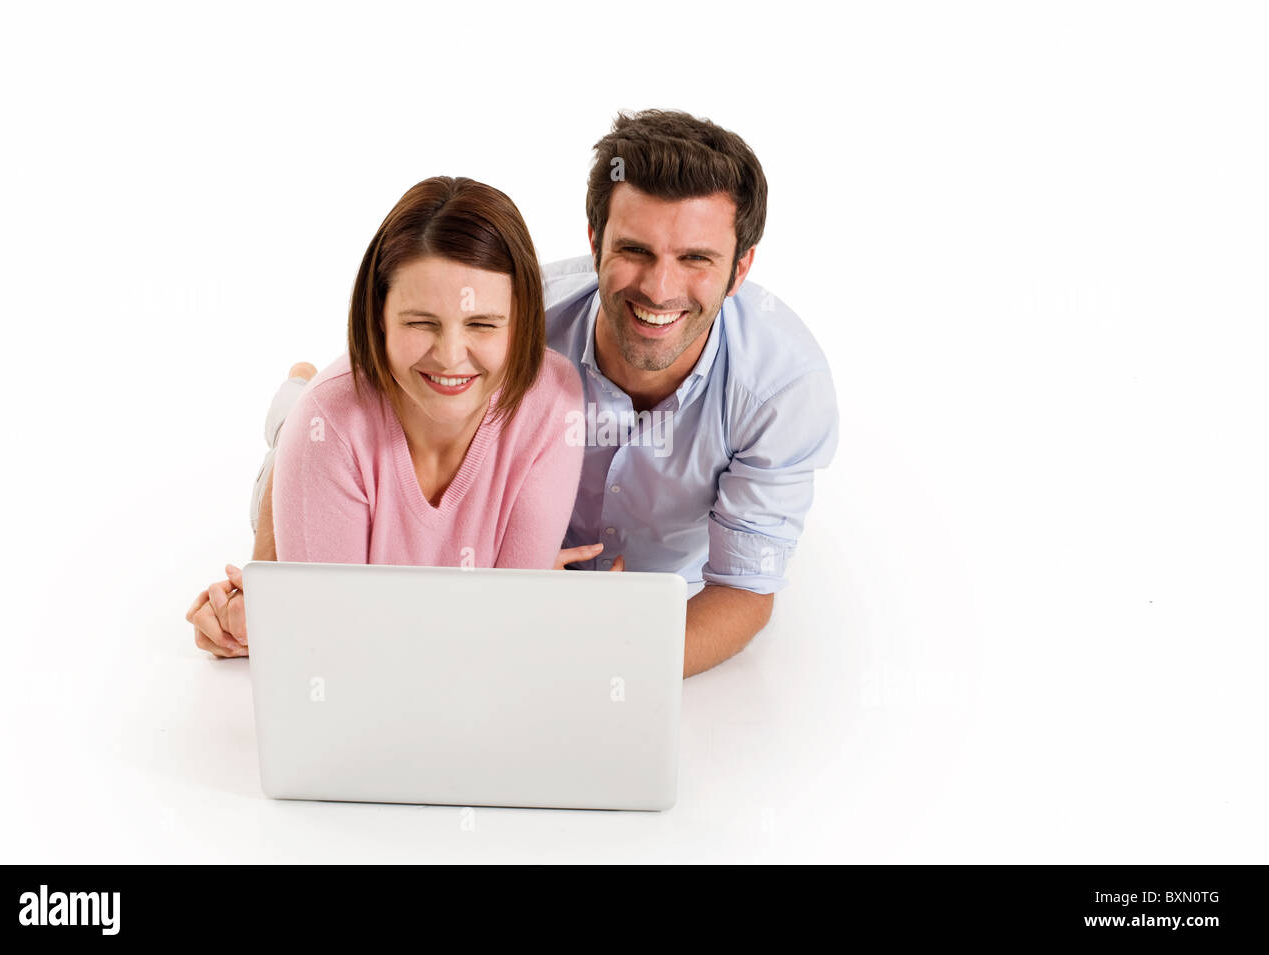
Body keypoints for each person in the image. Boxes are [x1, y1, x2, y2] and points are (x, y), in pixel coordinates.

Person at [191, 109, 839, 679]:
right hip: (422, 523)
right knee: (300, 428)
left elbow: (744, 590)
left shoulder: (781, 390)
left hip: (521, 571)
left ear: (741, 266)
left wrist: (598, 656)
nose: (660, 288)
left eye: (695, 258)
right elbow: (350, 424)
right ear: (595, 244)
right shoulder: (508, 322)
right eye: (635, 249)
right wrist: (269, 587)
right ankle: (291, 397)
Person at [186, 176, 584, 656]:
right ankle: (294, 401)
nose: (451, 356)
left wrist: (533, 603)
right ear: (378, 315)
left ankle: (299, 389)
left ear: (519, 324)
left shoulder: (556, 401)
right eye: (420, 323)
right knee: (300, 422)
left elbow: (507, 630)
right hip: (309, 459)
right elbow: (336, 643)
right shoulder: (327, 426)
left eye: (481, 324)